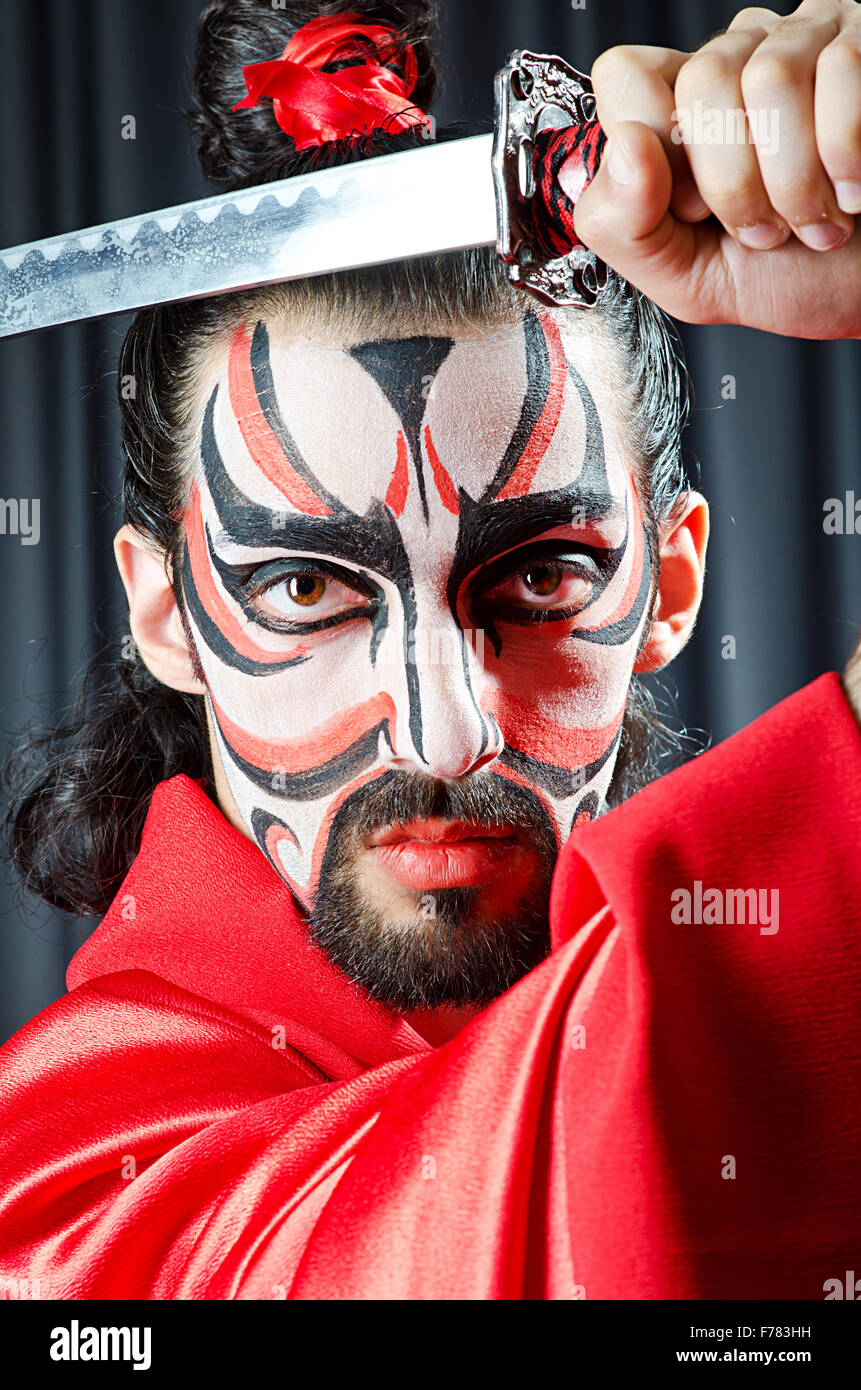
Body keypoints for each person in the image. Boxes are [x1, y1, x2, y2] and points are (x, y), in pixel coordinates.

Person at [0, 0, 859, 1300]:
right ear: (165, 612)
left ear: (672, 578)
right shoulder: (61, 1174)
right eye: (303, 584)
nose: (444, 730)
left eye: (541, 572)